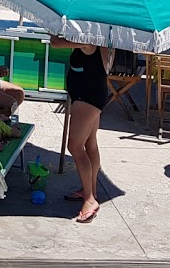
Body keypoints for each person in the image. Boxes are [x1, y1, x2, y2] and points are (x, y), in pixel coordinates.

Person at [51, 35, 113, 222]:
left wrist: (55, 25)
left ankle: (89, 199)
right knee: (90, 144)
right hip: (91, 95)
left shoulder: (89, 41)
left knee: (75, 147)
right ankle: (90, 189)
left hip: (87, 99)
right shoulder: (105, 39)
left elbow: (55, 42)